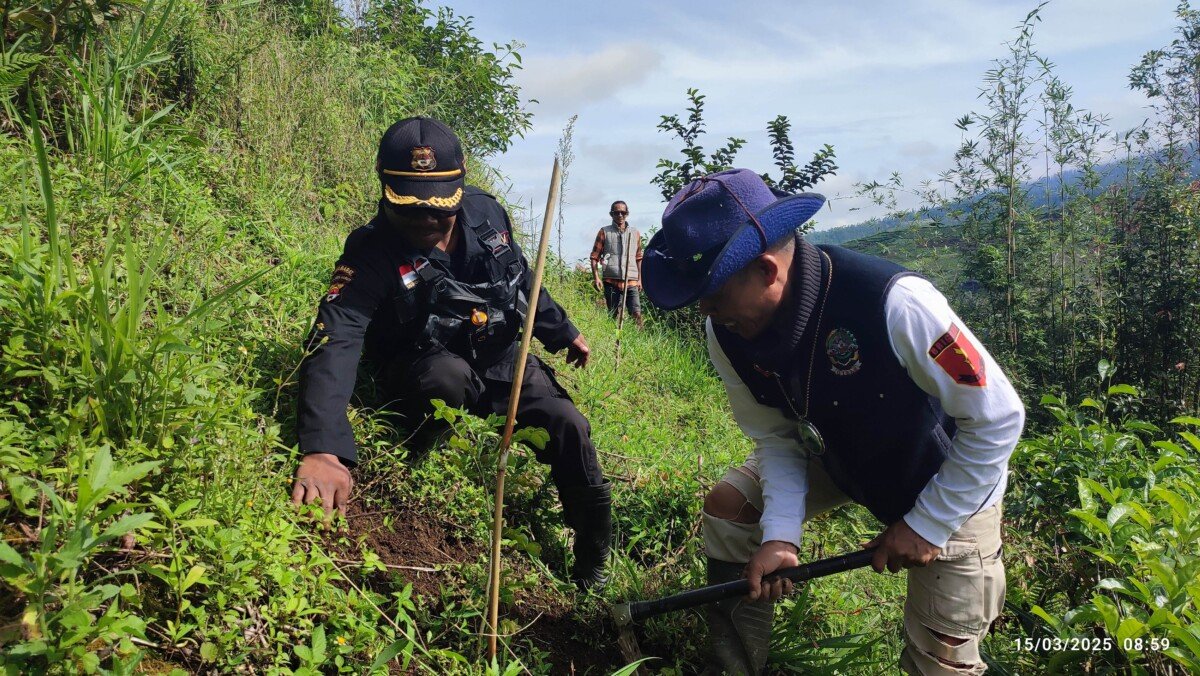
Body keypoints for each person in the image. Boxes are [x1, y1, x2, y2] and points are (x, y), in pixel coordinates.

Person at [642, 169, 1024, 675]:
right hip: (843, 455)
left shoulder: (895, 304)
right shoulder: (726, 331)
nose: (706, 312)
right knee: (731, 508)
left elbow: (997, 418)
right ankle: (736, 665)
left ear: (765, 270)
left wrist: (928, 524)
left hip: (949, 477)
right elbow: (776, 436)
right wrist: (780, 535)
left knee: (942, 660)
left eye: (713, 294)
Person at [290, 116, 612, 589]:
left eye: (439, 207)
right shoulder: (370, 251)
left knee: (569, 426)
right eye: (410, 206)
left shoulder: (487, 214)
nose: (425, 218)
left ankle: (594, 557)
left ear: (459, 186)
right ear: (384, 185)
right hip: (425, 364)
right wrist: (323, 446)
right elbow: (335, 338)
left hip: (500, 357)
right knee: (448, 379)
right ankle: (427, 448)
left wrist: (562, 331)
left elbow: (523, 278)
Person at [589, 200, 644, 328]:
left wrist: (640, 279)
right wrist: (596, 277)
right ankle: (615, 341)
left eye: (623, 212)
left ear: (627, 214)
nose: (620, 215)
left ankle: (639, 340)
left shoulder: (635, 233)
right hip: (611, 281)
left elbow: (639, 257)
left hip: (631, 281)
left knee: (636, 313)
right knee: (614, 315)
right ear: (611, 214)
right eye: (616, 212)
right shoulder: (604, 232)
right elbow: (594, 256)